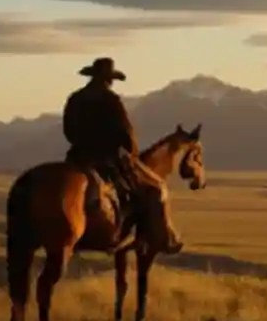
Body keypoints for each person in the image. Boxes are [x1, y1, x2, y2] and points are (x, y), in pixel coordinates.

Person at [62, 57, 183, 254]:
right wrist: (131, 152)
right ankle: (158, 240)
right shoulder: (111, 100)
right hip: (106, 157)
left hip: (77, 156)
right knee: (151, 190)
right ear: (108, 79)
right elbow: (126, 131)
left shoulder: (75, 98)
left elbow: (68, 130)